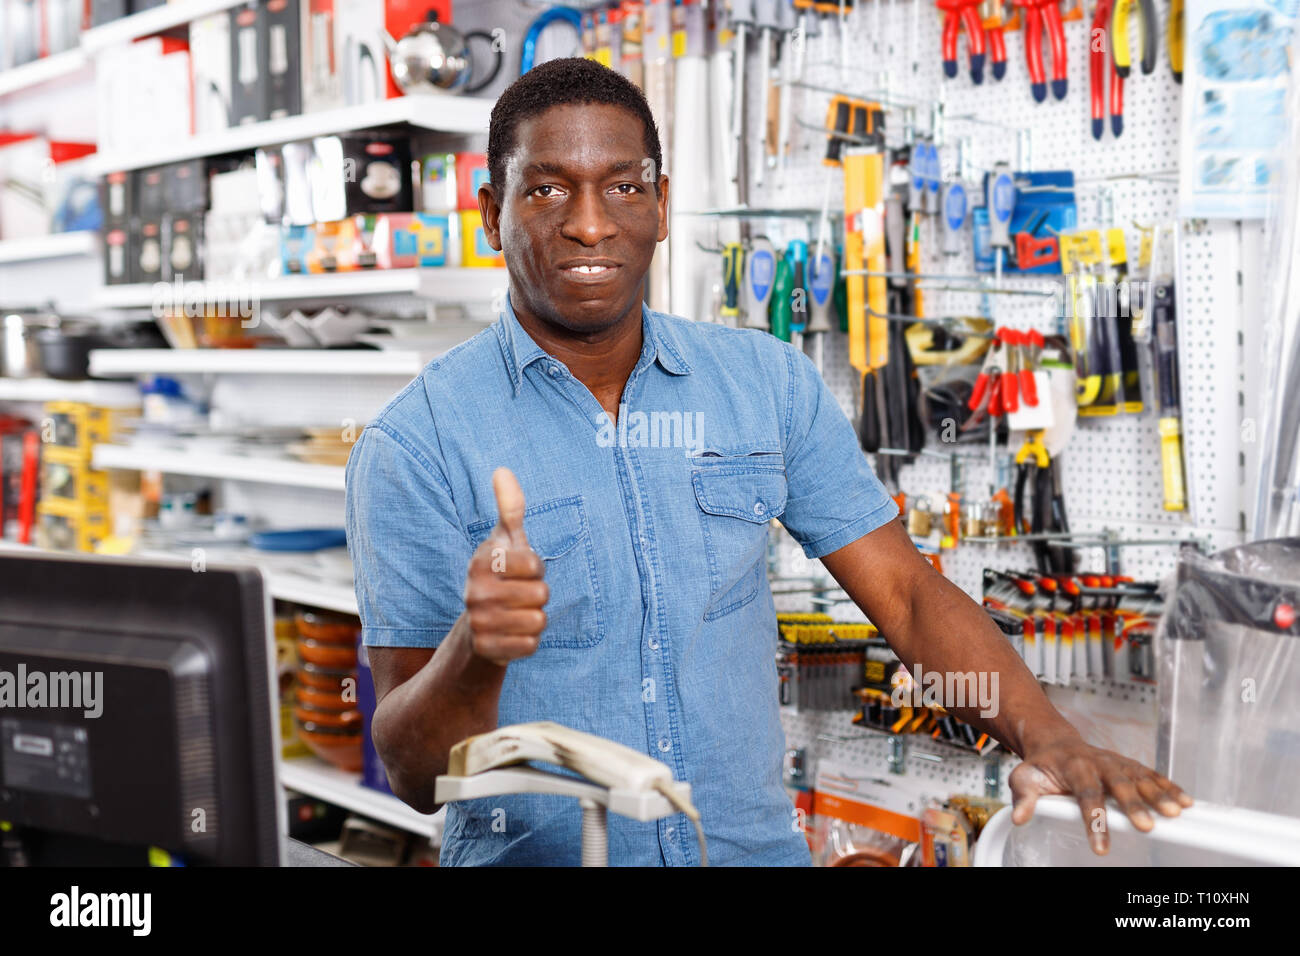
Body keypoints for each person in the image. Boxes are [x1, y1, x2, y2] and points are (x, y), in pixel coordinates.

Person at [345, 57, 1191, 866]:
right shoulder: (414, 445)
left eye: (624, 187)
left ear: (663, 204)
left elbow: (905, 594)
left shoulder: (766, 382)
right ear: (493, 208)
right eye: (548, 189)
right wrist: (476, 649)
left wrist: (1045, 735)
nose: (591, 222)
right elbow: (417, 773)